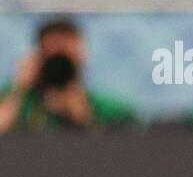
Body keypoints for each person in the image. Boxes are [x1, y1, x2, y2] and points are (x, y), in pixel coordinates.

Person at [0, 18, 133, 133]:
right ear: (38, 58)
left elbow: (120, 147)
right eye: (51, 56)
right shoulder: (17, 101)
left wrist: (81, 116)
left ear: (81, 57)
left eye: (66, 58)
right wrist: (18, 89)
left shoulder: (104, 107)